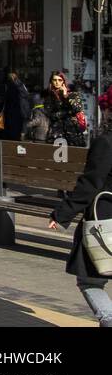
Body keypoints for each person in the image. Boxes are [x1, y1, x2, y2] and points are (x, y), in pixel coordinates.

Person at [49, 130, 112, 325]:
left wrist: (62, 215)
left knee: (89, 280)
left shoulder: (106, 142)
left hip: (103, 224)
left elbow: (90, 184)